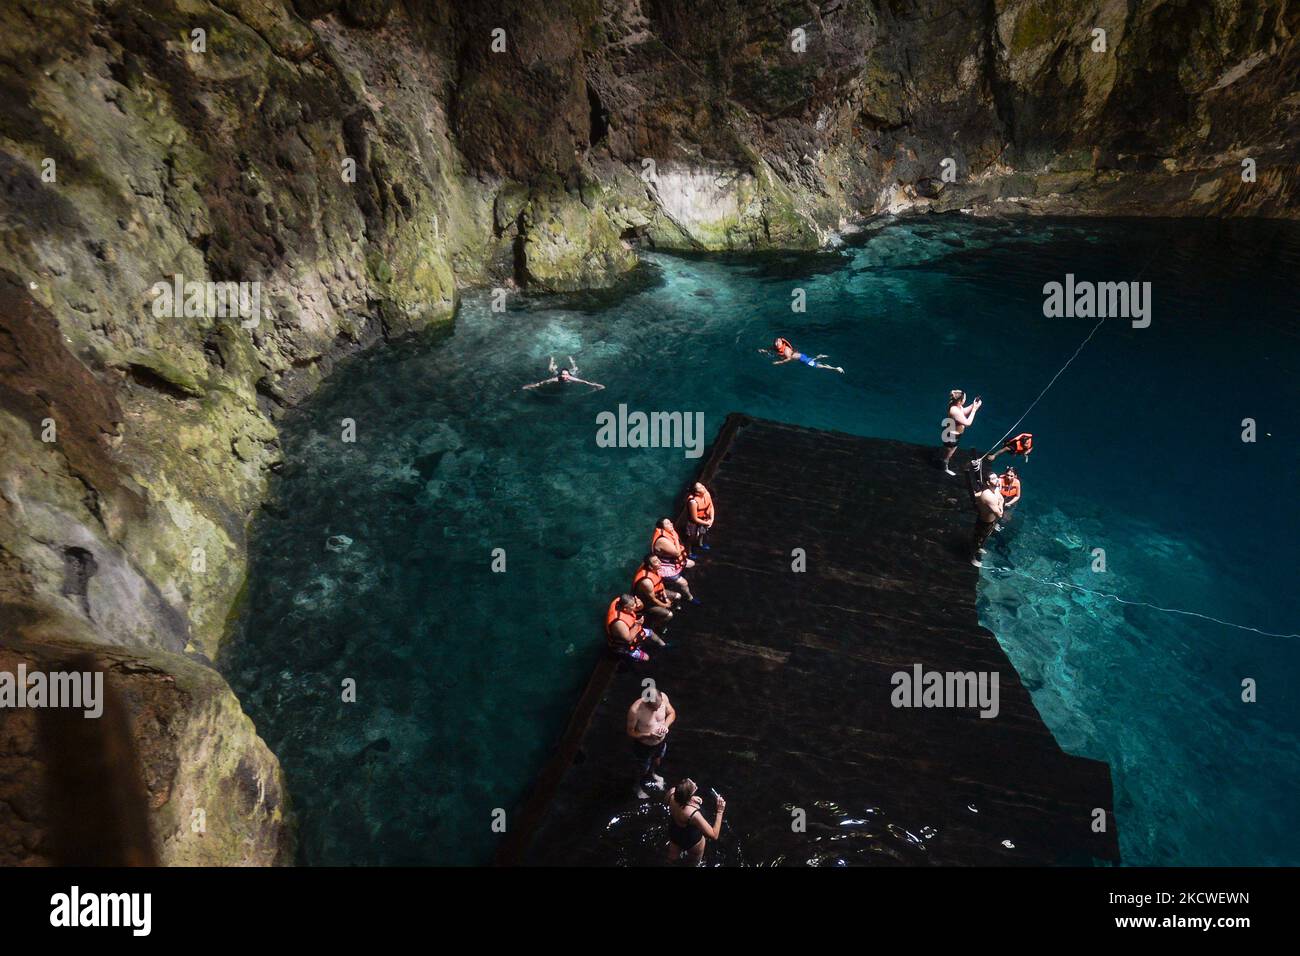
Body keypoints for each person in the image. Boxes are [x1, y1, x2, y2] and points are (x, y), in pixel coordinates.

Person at [626, 687, 676, 799]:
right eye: (654, 708)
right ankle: (637, 786)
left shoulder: (663, 698)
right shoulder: (635, 711)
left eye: (659, 706)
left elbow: (672, 713)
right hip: (644, 746)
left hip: (660, 742)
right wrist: (648, 735)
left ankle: (652, 774)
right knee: (642, 768)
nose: (658, 709)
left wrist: (665, 725)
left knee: (657, 760)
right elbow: (630, 732)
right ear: (646, 703)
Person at [664, 778, 726, 864]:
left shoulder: (672, 793)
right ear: (688, 796)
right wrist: (720, 811)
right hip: (691, 840)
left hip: (674, 832)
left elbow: (670, 801)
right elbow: (714, 835)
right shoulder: (692, 814)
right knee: (693, 863)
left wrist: (689, 799)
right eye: (695, 786)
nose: (695, 783)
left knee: (671, 858)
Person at [651, 518, 698, 603]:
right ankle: (690, 597)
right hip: (667, 567)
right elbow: (677, 553)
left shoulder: (669, 533)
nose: (671, 524)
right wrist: (676, 539)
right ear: (662, 528)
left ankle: (669, 580)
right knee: (684, 583)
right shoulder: (662, 540)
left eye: (670, 522)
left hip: (676, 561)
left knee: (692, 564)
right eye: (667, 524)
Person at [605, 593, 662, 661]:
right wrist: (637, 624)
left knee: (651, 633)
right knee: (646, 658)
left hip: (636, 631)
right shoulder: (619, 623)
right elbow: (628, 639)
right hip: (625, 645)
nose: (635, 606)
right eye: (632, 606)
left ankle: (663, 645)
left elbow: (639, 608)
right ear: (625, 609)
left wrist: (639, 603)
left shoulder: (624, 602)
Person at [942, 389, 982, 475]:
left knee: (951, 451)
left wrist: (973, 405)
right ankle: (945, 466)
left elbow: (963, 412)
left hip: (955, 434)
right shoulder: (954, 410)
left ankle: (944, 461)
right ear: (960, 401)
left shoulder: (957, 406)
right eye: (964, 399)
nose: (965, 400)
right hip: (951, 436)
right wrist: (974, 410)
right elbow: (967, 423)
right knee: (949, 453)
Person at [633, 554, 679, 627]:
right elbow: (652, 599)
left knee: (678, 596)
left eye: (658, 559)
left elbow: (661, 584)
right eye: (656, 562)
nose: (660, 562)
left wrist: (666, 598)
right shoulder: (647, 582)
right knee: (669, 615)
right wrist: (665, 605)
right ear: (650, 567)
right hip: (647, 603)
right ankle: (657, 625)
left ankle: (672, 607)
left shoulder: (656, 569)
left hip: (657, 593)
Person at [971, 472, 1004, 567]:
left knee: (985, 537)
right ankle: (972, 557)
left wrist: (1000, 503)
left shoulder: (996, 489)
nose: (997, 479)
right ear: (988, 483)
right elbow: (1000, 514)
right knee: (977, 540)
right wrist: (1000, 504)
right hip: (984, 522)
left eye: (996, 477)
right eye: (993, 479)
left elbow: (1001, 498)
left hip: (992, 521)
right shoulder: (988, 496)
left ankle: (979, 548)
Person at [758, 337, 844, 373]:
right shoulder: (775, 347)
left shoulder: (786, 350)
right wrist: (763, 350)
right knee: (811, 360)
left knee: (816, 365)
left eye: (779, 342)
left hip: (802, 358)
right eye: (776, 342)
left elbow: (788, 359)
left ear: (781, 343)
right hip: (801, 357)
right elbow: (770, 349)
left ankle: (835, 368)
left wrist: (779, 362)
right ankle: (819, 356)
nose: (777, 343)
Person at [522, 355, 604, 390]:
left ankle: (572, 361)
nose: (565, 376)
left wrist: (597, 385)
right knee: (550, 370)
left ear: (568, 375)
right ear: (561, 375)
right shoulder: (557, 378)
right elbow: (542, 383)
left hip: (572, 373)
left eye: (566, 375)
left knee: (575, 369)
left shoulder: (571, 377)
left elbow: (585, 382)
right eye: (563, 375)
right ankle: (552, 360)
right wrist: (530, 386)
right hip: (558, 376)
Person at [685, 482, 715, 556]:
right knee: (691, 537)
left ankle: (700, 544)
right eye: (700, 487)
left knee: (702, 532)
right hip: (694, 522)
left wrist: (711, 519)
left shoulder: (706, 493)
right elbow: (694, 518)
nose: (703, 487)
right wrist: (707, 523)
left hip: (705, 519)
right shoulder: (693, 502)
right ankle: (689, 552)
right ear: (697, 493)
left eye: (702, 485)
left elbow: (711, 506)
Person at [996, 467, 1021, 531]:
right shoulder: (1000, 480)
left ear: (1015, 476)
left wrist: (1008, 503)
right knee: (997, 512)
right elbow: (997, 491)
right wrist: (1001, 502)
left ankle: (1001, 525)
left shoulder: (1017, 482)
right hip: (1001, 497)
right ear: (1005, 474)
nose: (1009, 477)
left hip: (1011, 499)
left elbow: (1017, 496)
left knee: (1006, 517)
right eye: (1007, 475)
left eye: (1011, 476)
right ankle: (994, 523)